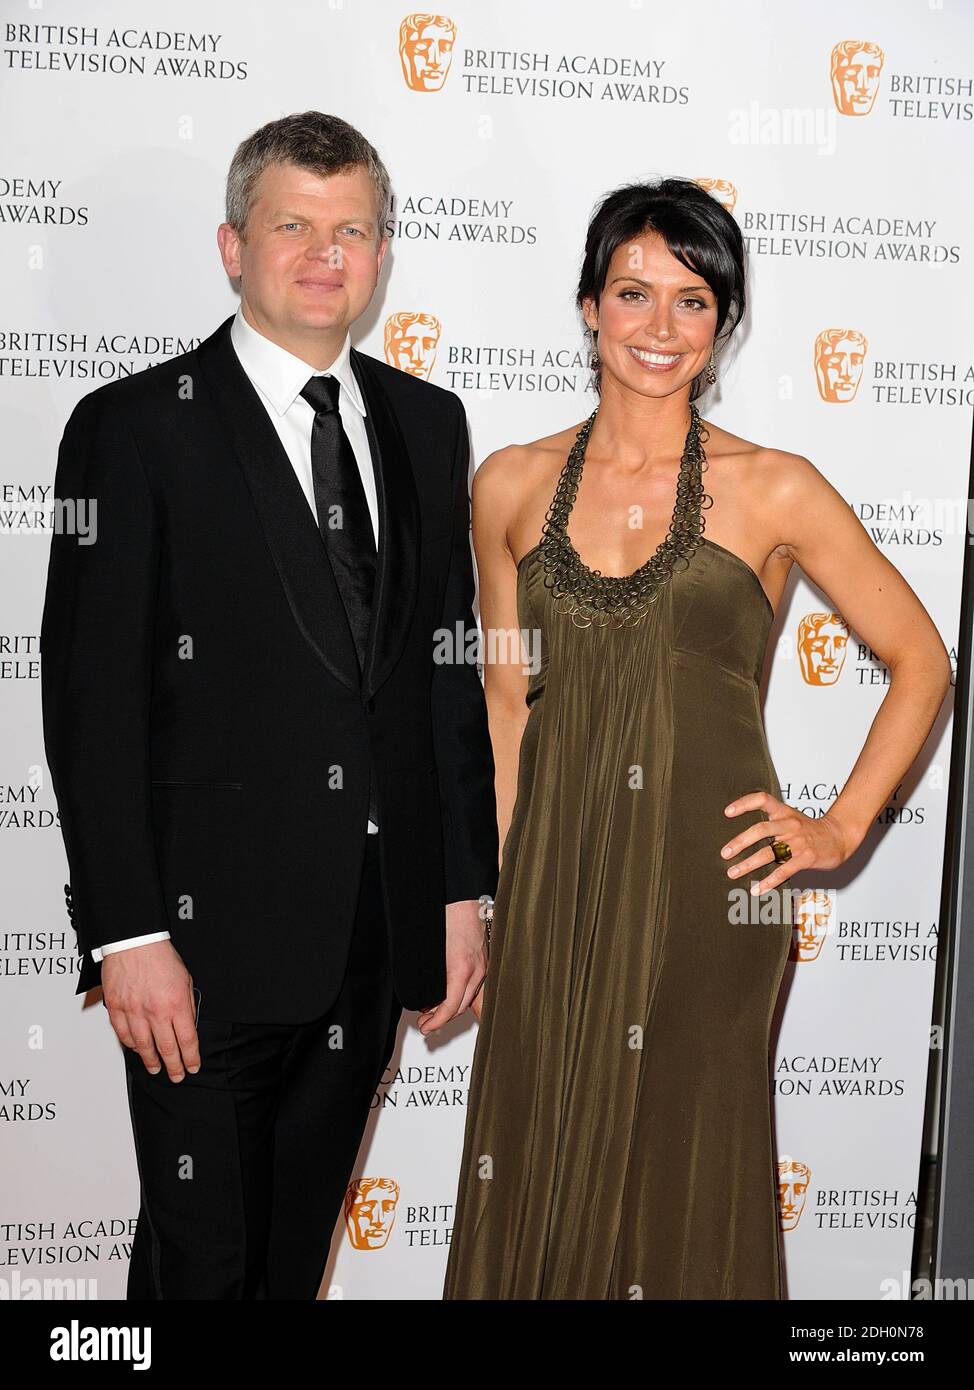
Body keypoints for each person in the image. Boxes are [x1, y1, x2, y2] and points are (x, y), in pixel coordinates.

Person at [442, 177, 951, 1300]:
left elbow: (923, 660)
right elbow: (503, 706)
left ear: (721, 321)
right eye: (632, 293)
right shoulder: (507, 485)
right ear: (586, 305)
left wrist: (837, 826)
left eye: (690, 300)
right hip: (550, 877)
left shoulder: (772, 487)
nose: (658, 328)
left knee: (685, 1161)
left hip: (711, 881)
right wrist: (484, 897)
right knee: (539, 1146)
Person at [40, 111, 498, 1300]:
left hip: (368, 935)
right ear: (232, 245)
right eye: (293, 225)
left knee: (289, 1260)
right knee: (203, 1263)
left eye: (351, 230)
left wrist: (457, 887)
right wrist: (128, 934)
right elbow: (89, 704)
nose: (324, 255)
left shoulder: (424, 423)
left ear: (383, 252)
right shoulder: (133, 430)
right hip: (198, 948)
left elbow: (443, 674)